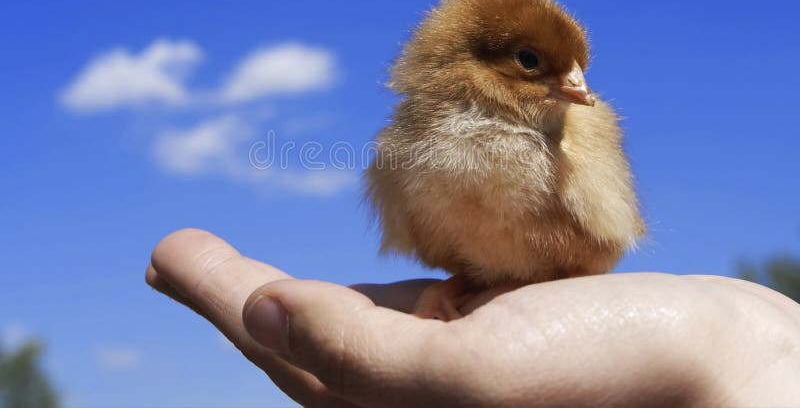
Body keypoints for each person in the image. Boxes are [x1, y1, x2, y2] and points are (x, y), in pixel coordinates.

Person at [146, 229, 800, 407]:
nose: (580, 88)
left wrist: (742, 356)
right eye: (532, 62)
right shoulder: (428, 129)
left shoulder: (573, 125)